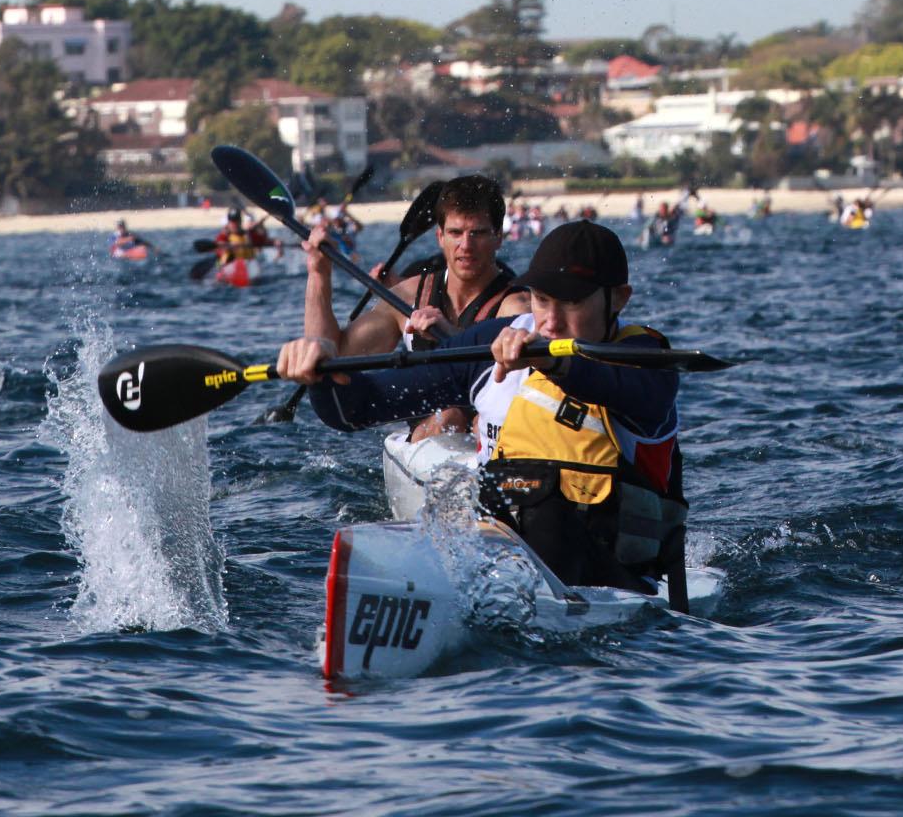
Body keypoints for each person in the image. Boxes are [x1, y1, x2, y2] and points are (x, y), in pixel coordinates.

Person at [279, 220, 685, 597]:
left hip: (616, 584)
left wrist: (550, 362)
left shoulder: (646, 361)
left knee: (542, 510)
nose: (551, 323)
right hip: (505, 567)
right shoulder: (495, 341)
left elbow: (622, 388)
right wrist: (323, 372)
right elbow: (355, 409)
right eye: (542, 300)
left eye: (572, 303)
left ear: (618, 299)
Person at [301, 175, 530, 446]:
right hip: (430, 429)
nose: (465, 246)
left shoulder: (515, 305)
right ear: (440, 237)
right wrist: (319, 273)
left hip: (492, 432)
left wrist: (450, 335)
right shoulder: (410, 295)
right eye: (456, 233)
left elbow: (519, 382)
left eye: (478, 233)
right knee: (449, 417)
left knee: (464, 419)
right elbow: (331, 355)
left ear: (498, 238)